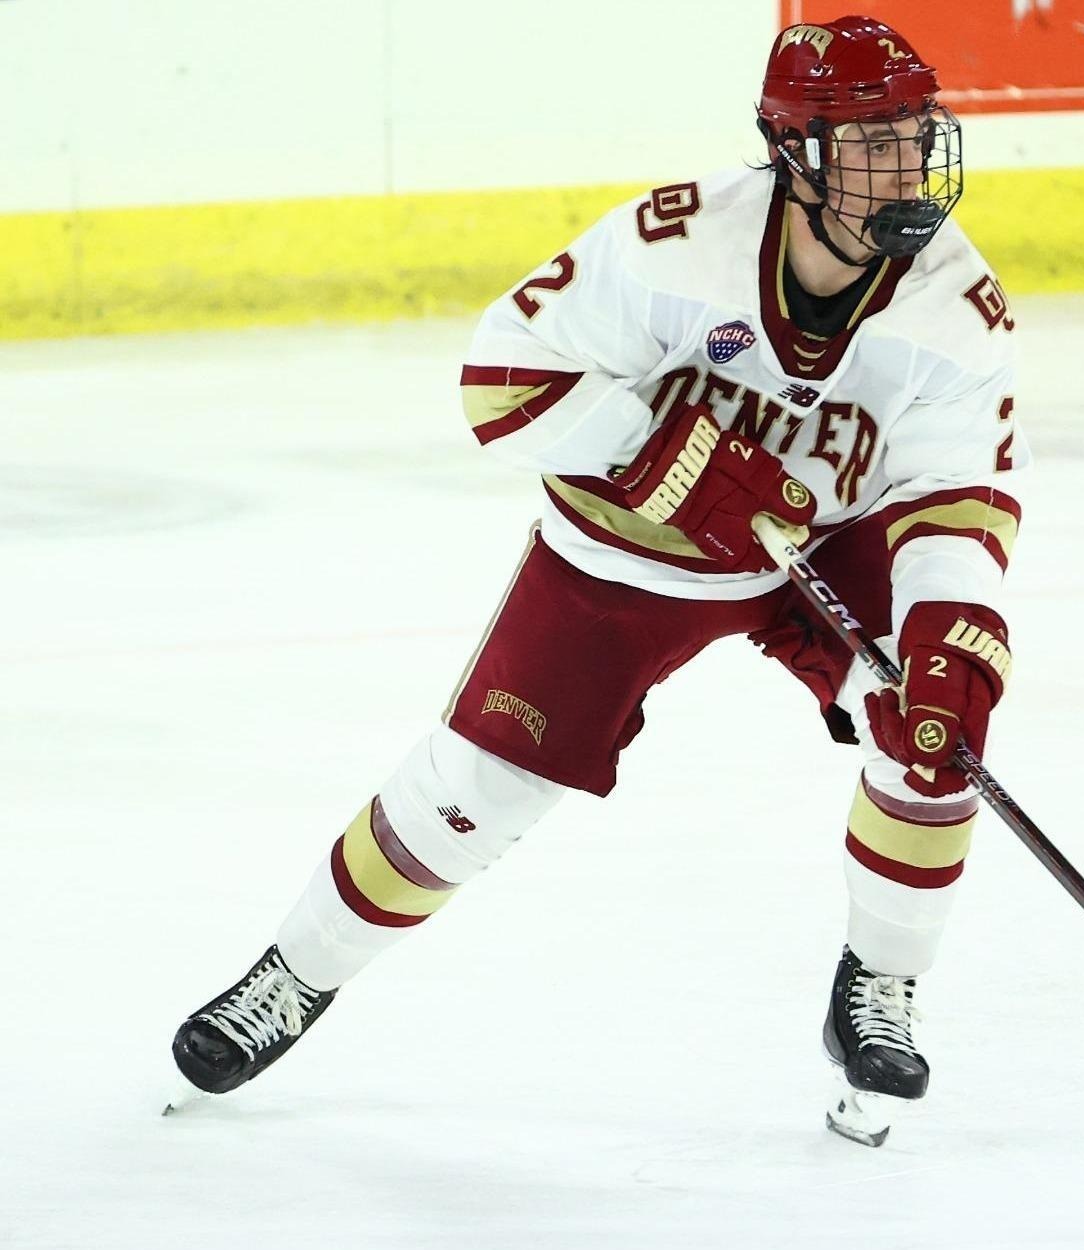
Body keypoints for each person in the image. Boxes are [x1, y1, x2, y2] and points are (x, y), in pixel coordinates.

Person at [170, 14, 1025, 1147]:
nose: (903, 165)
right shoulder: (672, 247)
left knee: (932, 739)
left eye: (915, 137)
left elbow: (955, 496)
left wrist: (952, 632)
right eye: (869, 143)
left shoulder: (955, 305)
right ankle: (295, 971)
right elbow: (500, 381)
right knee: (474, 791)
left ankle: (880, 984)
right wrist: (673, 466)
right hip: (628, 550)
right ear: (795, 152)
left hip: (828, 536)